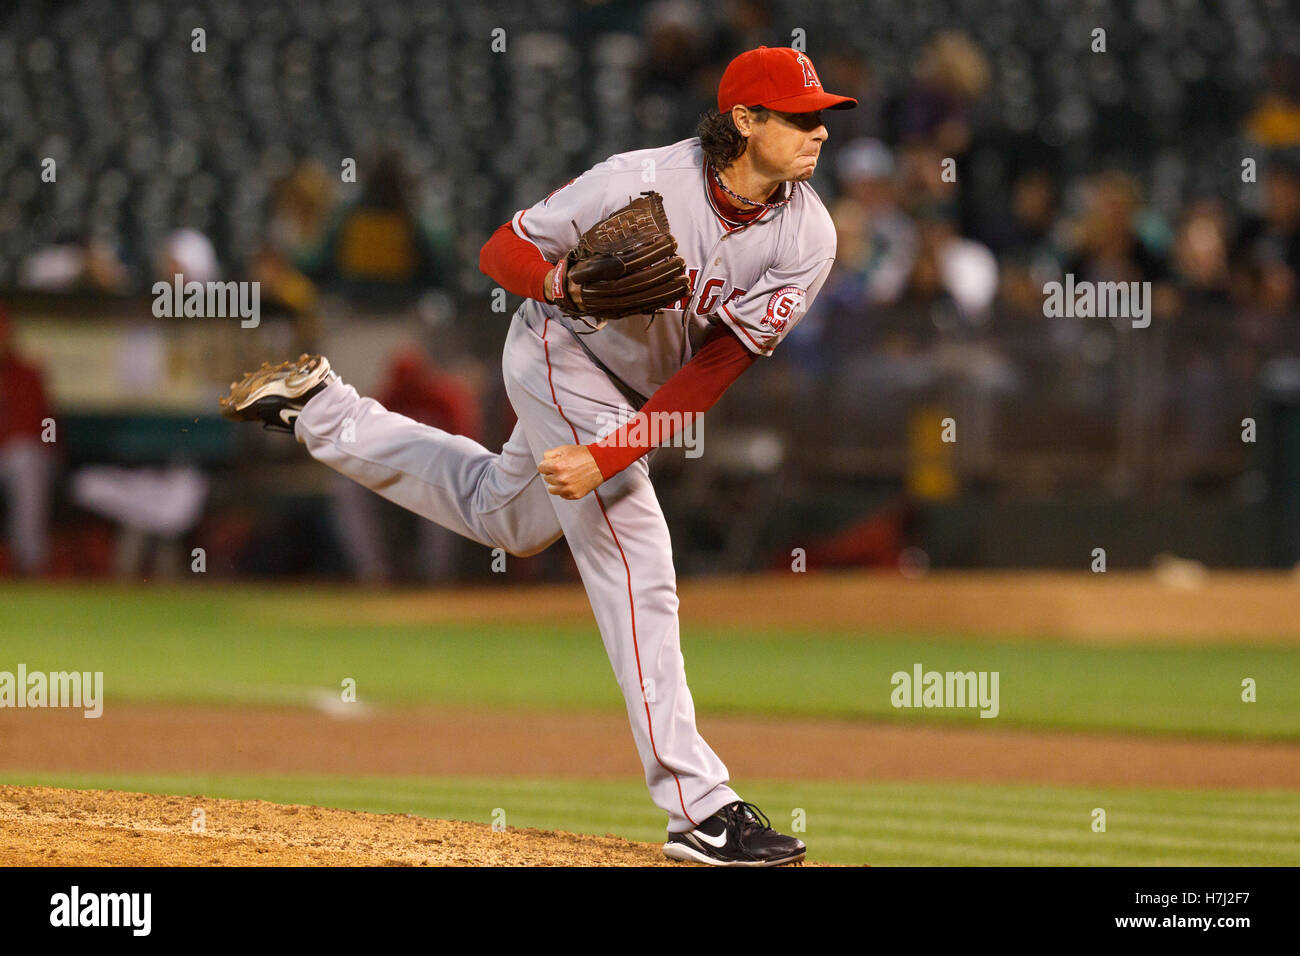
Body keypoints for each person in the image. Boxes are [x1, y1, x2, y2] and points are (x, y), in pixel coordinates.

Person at [219, 47, 854, 867]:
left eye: (822, 118)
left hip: (630, 398)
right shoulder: (640, 181)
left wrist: (610, 449)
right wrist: (560, 287)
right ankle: (699, 807)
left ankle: (322, 411)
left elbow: (713, 368)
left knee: (504, 519)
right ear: (745, 120)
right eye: (801, 117)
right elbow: (501, 250)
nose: (819, 134)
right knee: (638, 554)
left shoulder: (809, 235)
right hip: (562, 353)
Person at [0, 304, 54, 575]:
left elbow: (44, 429)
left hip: (16, 457)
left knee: (26, 459)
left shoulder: (27, 374)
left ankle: (31, 564)